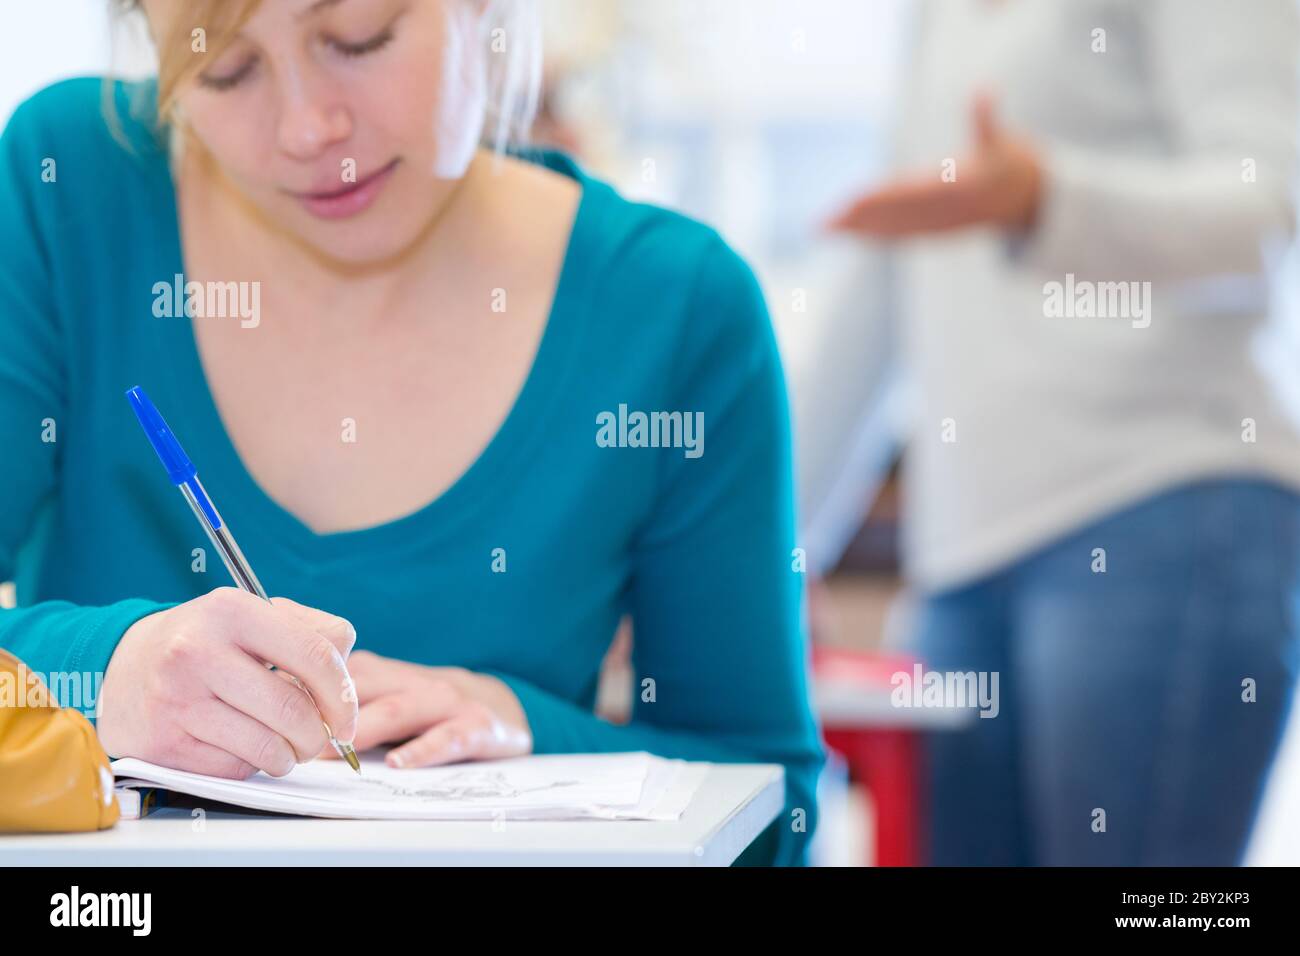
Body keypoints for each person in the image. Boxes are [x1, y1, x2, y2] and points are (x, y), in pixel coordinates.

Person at [0, 0, 823, 864]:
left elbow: (775, 811)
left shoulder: (676, 310)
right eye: (223, 70)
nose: (308, 128)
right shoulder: (66, 184)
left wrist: (527, 726)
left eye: (360, 36)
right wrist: (101, 676)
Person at [830, 0, 1300, 865]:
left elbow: (1265, 212)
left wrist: (1049, 198)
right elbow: (879, 282)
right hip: (964, 557)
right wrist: (752, 550)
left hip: (1166, 506)